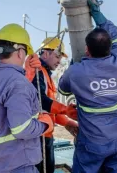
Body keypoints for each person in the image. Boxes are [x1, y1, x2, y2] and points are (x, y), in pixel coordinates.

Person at [58, 0, 117, 173]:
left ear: (87, 50)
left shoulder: (77, 72)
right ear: (110, 48)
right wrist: (99, 16)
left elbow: (62, 89)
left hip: (92, 144)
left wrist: (75, 64)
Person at [0, 23, 54, 173]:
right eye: (25, 52)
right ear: (19, 52)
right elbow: (21, 129)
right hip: (17, 164)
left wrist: (28, 73)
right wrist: (45, 125)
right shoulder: (17, 83)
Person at [31, 37, 78, 173]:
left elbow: (49, 110)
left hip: (45, 134)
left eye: (61, 58)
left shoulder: (45, 74)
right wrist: (65, 110)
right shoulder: (37, 72)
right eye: (57, 56)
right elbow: (41, 101)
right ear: (45, 53)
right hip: (38, 136)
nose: (59, 61)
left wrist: (67, 122)